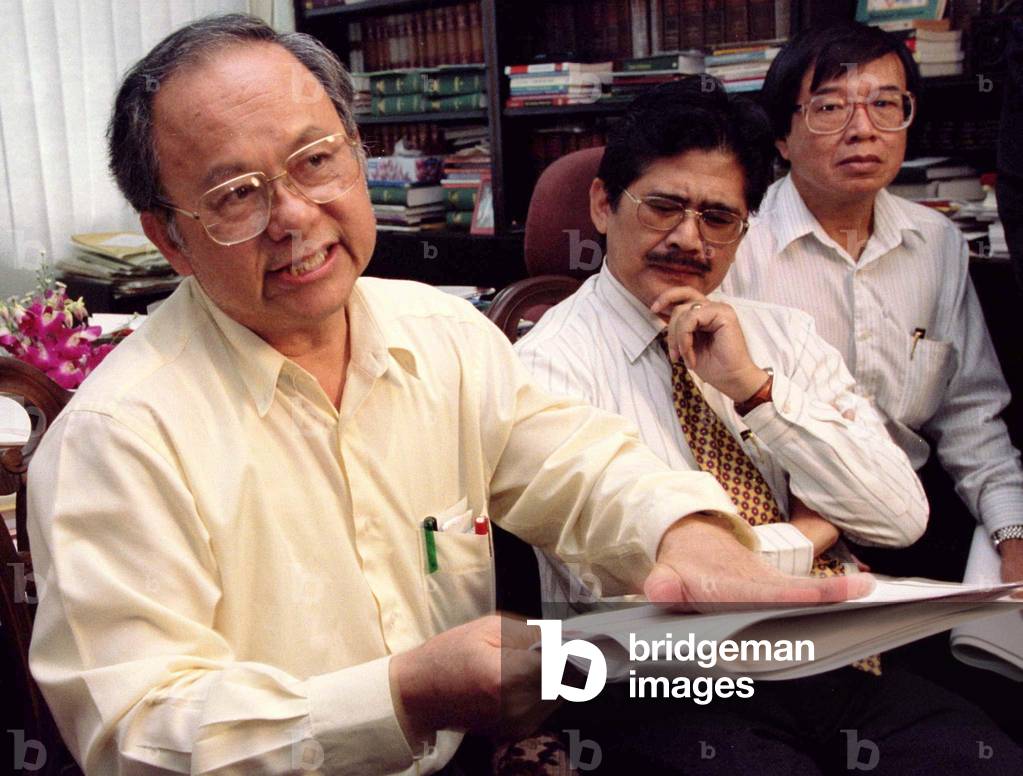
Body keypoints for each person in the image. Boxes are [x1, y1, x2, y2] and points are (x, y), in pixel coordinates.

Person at [24, 15, 871, 776]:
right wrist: (398, 697)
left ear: (358, 155)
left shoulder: (442, 334)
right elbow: (137, 733)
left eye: (315, 161)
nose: (295, 215)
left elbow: (579, 465)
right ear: (169, 237)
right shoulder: (116, 438)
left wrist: (683, 532)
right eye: (234, 195)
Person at [515, 77, 1023, 773]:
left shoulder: (782, 338)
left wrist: (753, 391)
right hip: (661, 679)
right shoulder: (544, 365)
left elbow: (899, 517)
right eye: (663, 207)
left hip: (833, 658)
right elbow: (629, 583)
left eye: (718, 217)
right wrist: (811, 532)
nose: (688, 238)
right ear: (603, 205)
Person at [722, 22, 1023, 588]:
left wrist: (1013, 531)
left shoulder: (936, 243)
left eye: (885, 104)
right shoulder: (735, 244)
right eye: (830, 108)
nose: (863, 130)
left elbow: (969, 415)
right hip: (777, 525)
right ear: (782, 137)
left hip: (910, 517)